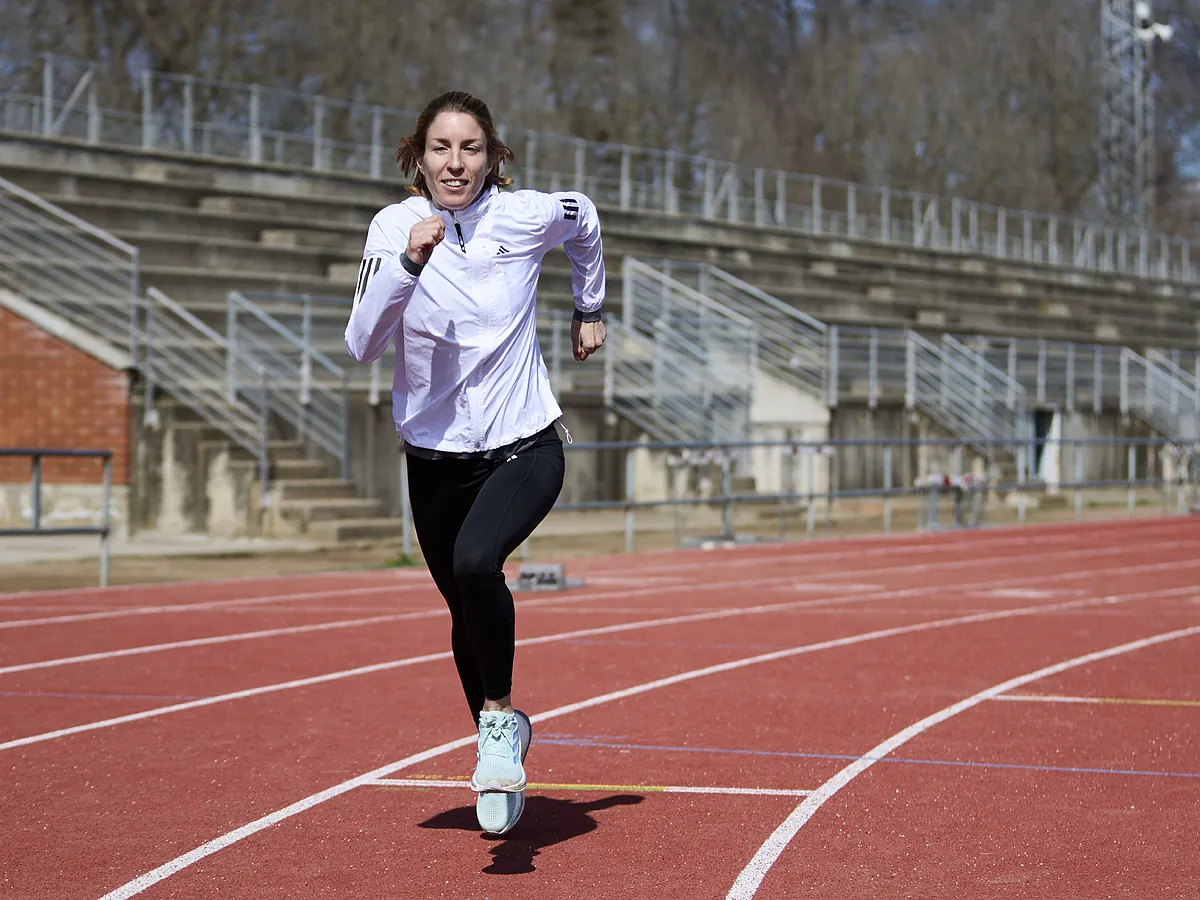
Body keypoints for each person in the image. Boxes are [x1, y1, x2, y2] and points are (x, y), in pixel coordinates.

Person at [343, 90, 607, 837]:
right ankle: (501, 736)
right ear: (418, 158)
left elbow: (584, 217)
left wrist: (589, 305)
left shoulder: (525, 215)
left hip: (524, 443)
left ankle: (495, 726)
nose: (455, 163)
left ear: (492, 157)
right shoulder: (393, 228)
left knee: (474, 563)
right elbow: (361, 343)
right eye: (441, 148)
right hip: (435, 460)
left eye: (470, 148)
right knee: (465, 605)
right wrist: (409, 263)